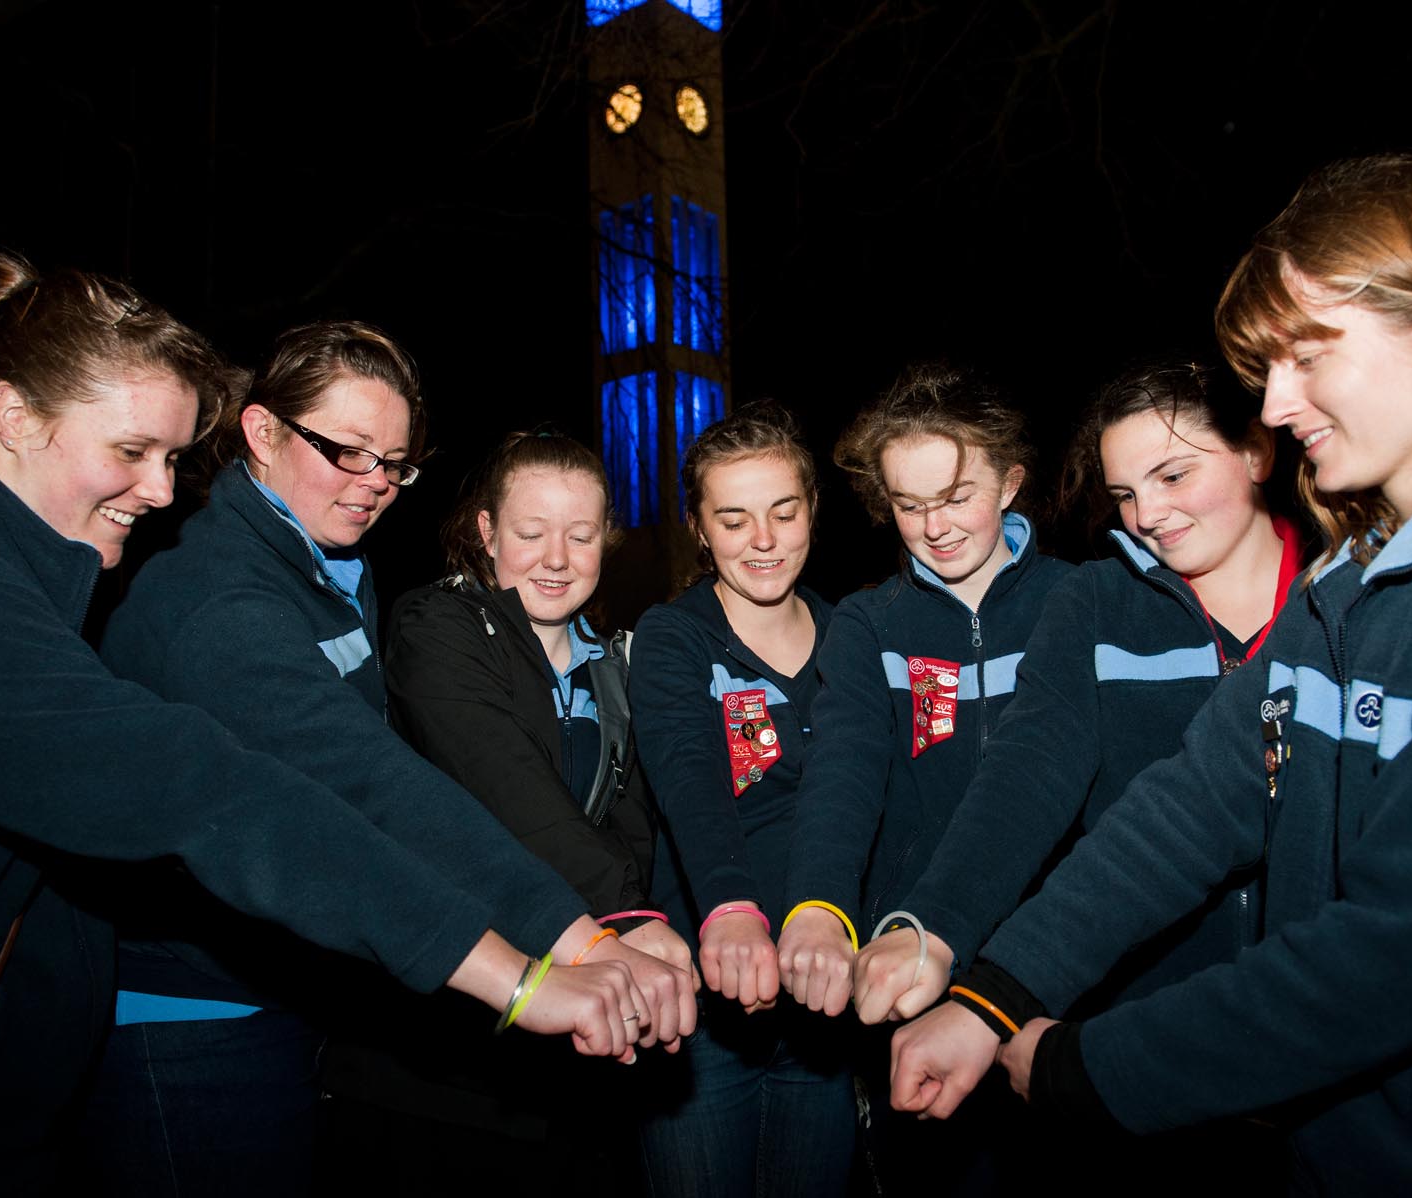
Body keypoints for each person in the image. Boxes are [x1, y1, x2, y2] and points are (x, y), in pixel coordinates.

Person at [0, 257, 653, 1197]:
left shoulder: (18, 579)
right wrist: (522, 974)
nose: (161, 489)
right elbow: (217, 790)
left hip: (18, 1103)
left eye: (175, 458)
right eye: (133, 450)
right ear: (14, 416)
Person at [889, 155, 1412, 1194]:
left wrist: (1076, 1066)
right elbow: (1191, 808)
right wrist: (996, 995)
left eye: (1307, 354)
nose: (1275, 404)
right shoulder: (1354, 580)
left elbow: (1388, 961)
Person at [78, 322, 692, 1194]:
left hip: (291, 993)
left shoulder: (329, 565)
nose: (373, 485)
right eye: (348, 452)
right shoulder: (221, 608)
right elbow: (369, 786)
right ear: (262, 432)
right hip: (188, 1016)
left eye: (395, 464)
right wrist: (572, 941)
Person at [849, 361, 1300, 1192]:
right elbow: (1025, 780)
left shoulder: (1342, 603)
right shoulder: (1096, 605)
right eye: (1126, 493)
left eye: (1173, 474)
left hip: (1324, 1051)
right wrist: (936, 930)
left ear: (1257, 452)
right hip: (1136, 1043)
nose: (1151, 514)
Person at [376, 429, 699, 1187]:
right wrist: (627, 919)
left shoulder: (613, 660)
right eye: (531, 532)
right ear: (486, 532)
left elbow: (629, 820)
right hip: (457, 1027)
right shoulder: (437, 628)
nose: (556, 558)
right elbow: (507, 788)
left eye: (580, 535)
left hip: (587, 1010)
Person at [776, 364, 1071, 1191]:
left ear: (1011, 481)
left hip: (1057, 968)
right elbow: (842, 775)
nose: (935, 526)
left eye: (955, 495)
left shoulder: (1078, 604)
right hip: (911, 975)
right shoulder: (872, 624)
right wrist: (817, 908)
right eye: (910, 505)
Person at [629, 401, 857, 1197]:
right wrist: (730, 912)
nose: (762, 540)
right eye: (733, 519)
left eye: (782, 512)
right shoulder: (673, 638)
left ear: (812, 512)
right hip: (703, 1010)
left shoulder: (852, 638)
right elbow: (689, 781)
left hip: (824, 1004)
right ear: (699, 528)